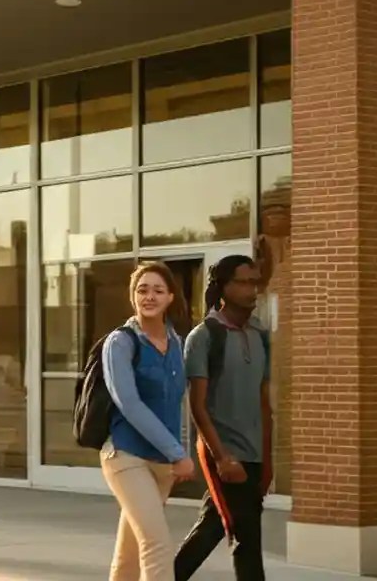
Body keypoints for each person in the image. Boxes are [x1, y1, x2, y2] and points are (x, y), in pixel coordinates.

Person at [174, 248, 273, 581]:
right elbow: (198, 405)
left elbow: (263, 401)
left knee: (213, 528)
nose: (252, 290)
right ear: (224, 287)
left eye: (254, 283)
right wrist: (222, 457)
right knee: (247, 538)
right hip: (224, 452)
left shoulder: (260, 335)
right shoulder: (204, 337)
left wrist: (268, 459)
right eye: (243, 283)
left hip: (254, 453)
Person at [99, 261, 196, 581]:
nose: (149, 296)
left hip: (162, 464)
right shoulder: (121, 342)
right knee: (156, 544)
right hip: (126, 456)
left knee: (128, 555)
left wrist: (178, 450)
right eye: (142, 290)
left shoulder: (176, 344)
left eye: (157, 290)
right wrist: (178, 453)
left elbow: (175, 404)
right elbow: (129, 403)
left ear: (170, 297)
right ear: (133, 297)